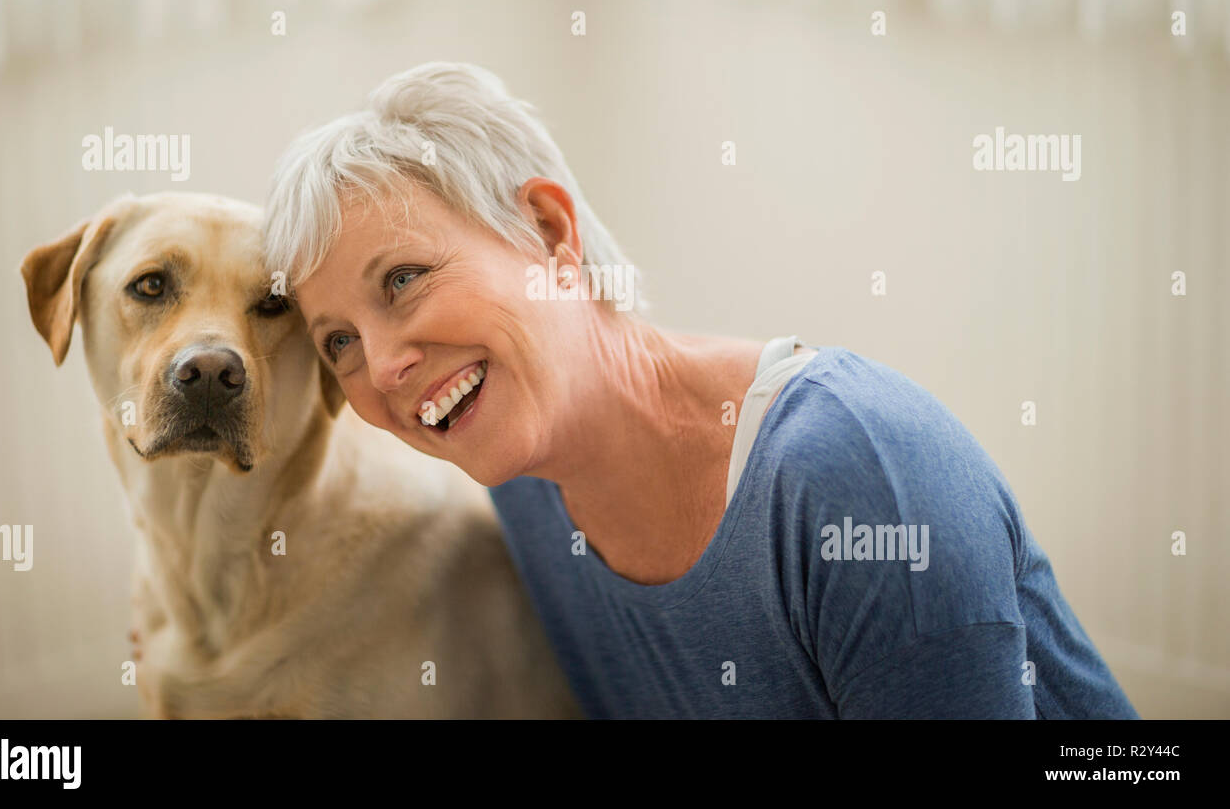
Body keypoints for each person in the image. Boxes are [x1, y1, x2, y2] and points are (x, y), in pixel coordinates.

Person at [262, 61, 1139, 719]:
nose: (380, 368)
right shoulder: (524, 490)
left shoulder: (853, 476)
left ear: (546, 228)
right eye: (337, 341)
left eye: (404, 278)